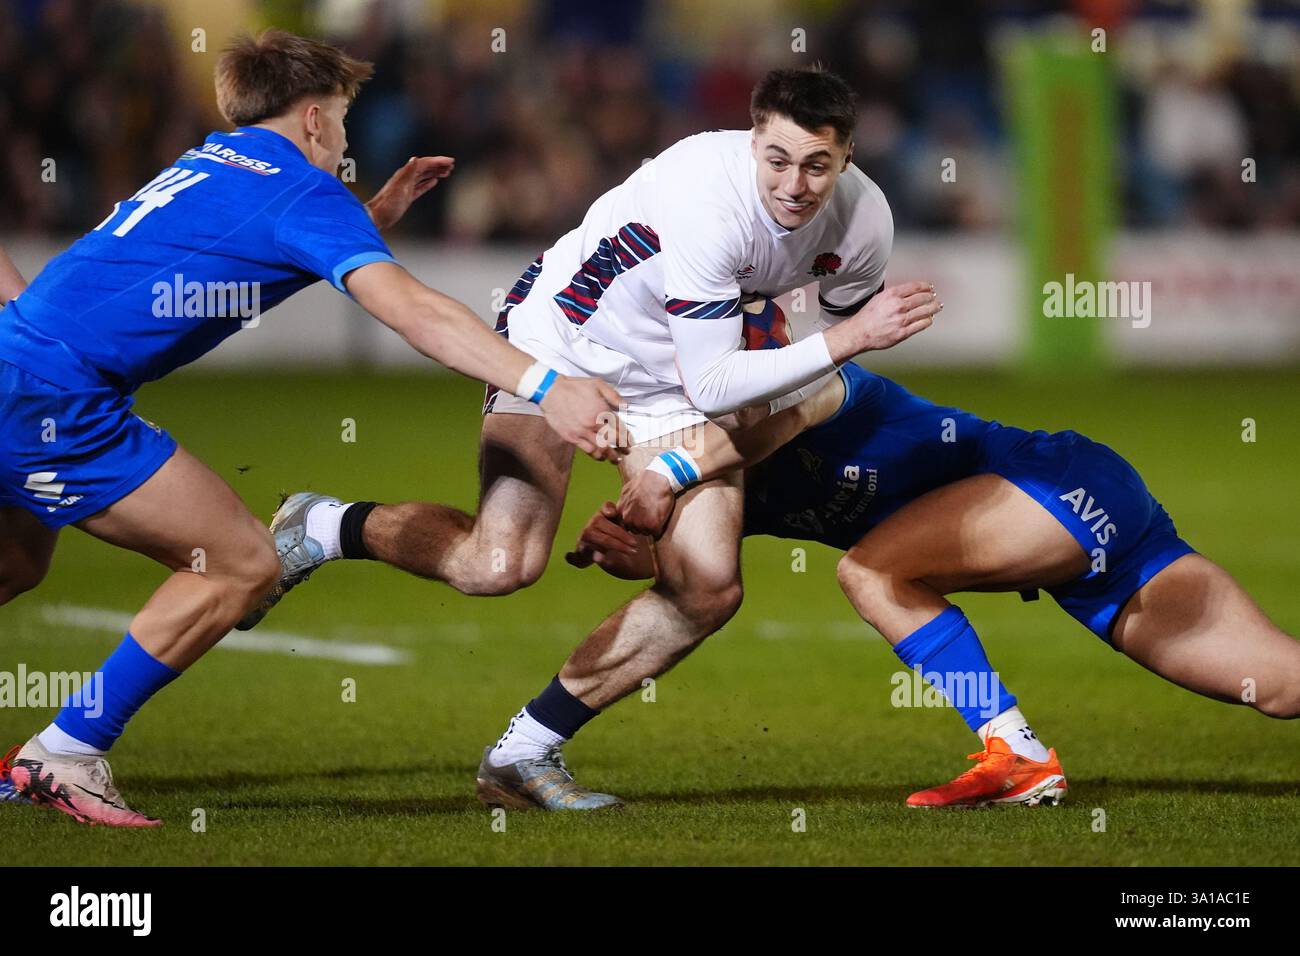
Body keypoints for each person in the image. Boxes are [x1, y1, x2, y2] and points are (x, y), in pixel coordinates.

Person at [244, 66, 940, 809]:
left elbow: (811, 374)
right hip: (559, 343)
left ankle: (522, 755)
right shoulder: (708, 196)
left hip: (674, 372)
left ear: (848, 155)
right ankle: (323, 525)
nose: (795, 184)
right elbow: (740, 378)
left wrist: (677, 467)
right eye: (777, 159)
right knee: (498, 563)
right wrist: (842, 344)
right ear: (751, 139)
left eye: (817, 165)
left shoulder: (865, 220)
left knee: (706, 587)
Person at [0, 29, 618, 828]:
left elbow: (239, 245)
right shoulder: (300, 192)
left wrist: (372, 216)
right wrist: (544, 383)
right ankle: (67, 754)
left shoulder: (210, 160)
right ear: (318, 123)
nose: (344, 141)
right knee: (241, 564)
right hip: (57, 399)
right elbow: (415, 311)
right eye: (344, 125)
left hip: (15, 362)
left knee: (14, 561)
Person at [568, 299, 1300, 807]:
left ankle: (1015, 755)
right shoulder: (721, 475)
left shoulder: (816, 383)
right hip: (1086, 535)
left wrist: (666, 473)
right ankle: (1017, 758)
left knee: (870, 571)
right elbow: (690, 573)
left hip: (1059, 484)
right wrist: (632, 547)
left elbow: (782, 414)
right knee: (1277, 687)